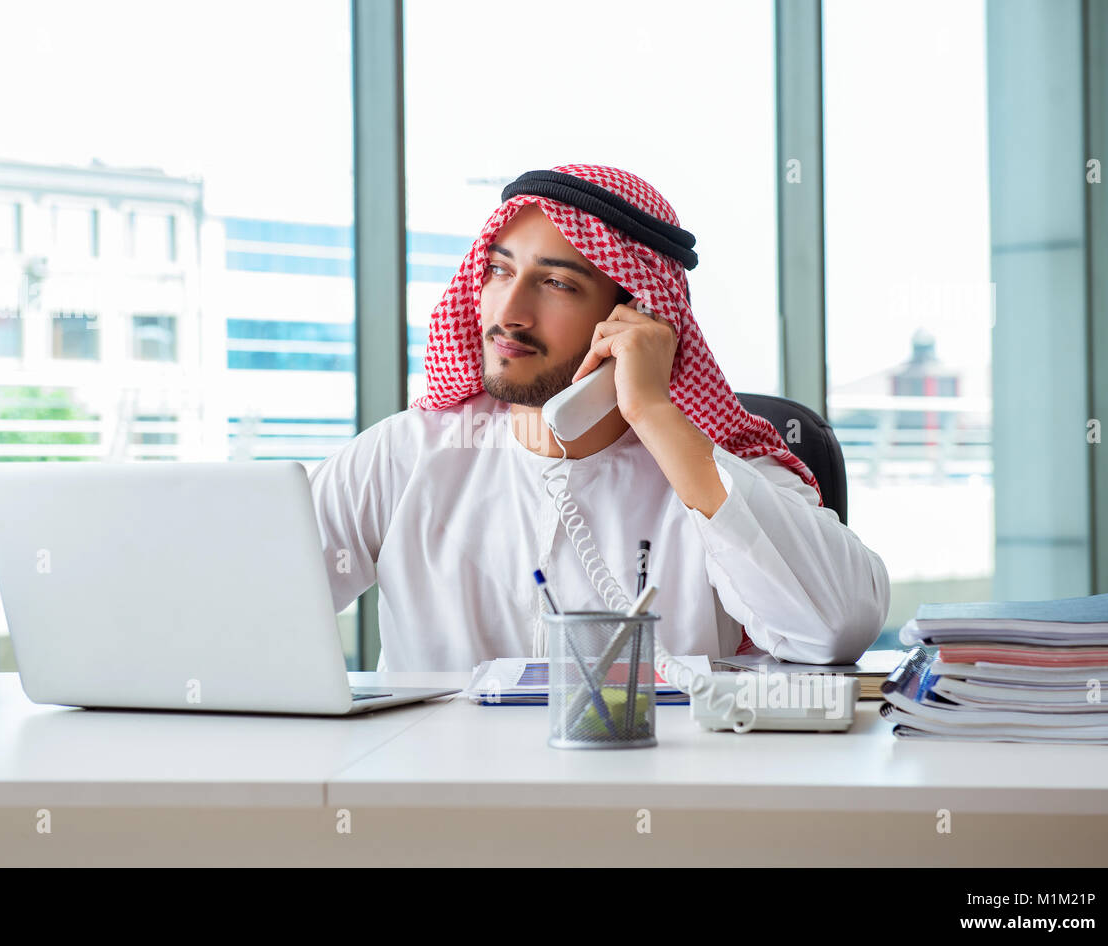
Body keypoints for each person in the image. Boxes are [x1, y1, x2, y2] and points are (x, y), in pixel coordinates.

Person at [310, 164, 890, 671]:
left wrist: (653, 412)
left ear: (637, 314)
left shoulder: (719, 470)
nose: (509, 313)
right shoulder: (404, 456)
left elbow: (834, 629)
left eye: (556, 283)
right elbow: (247, 605)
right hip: (431, 792)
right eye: (499, 271)